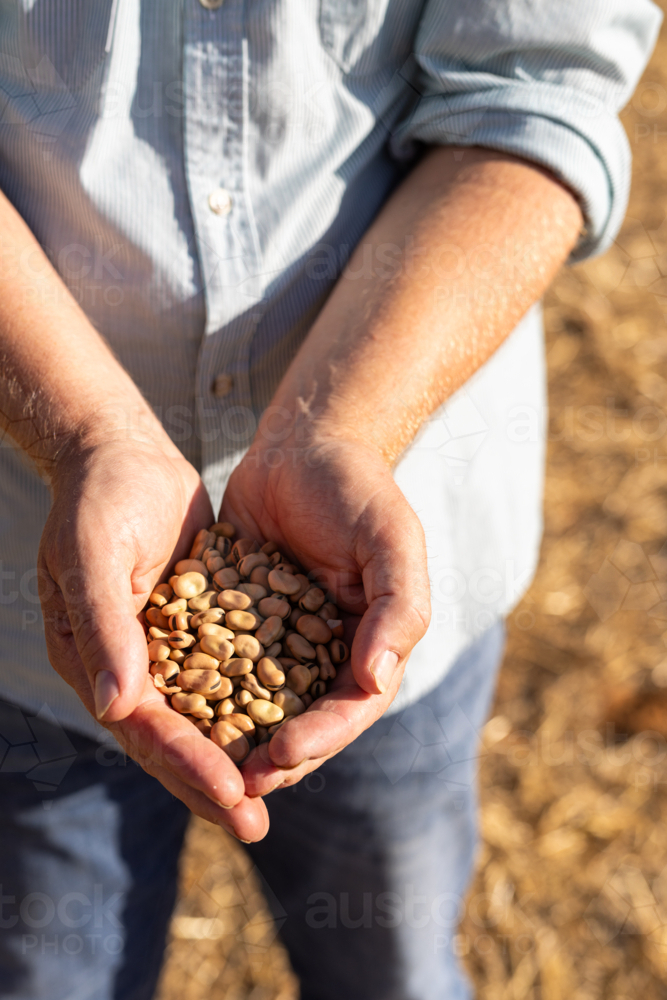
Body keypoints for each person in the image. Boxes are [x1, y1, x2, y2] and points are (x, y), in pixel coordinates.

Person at [0, 1, 660, 998]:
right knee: (52, 972)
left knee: (388, 964)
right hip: (21, 608)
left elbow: (536, 91)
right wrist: (84, 432)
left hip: (386, 594)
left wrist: (340, 430)